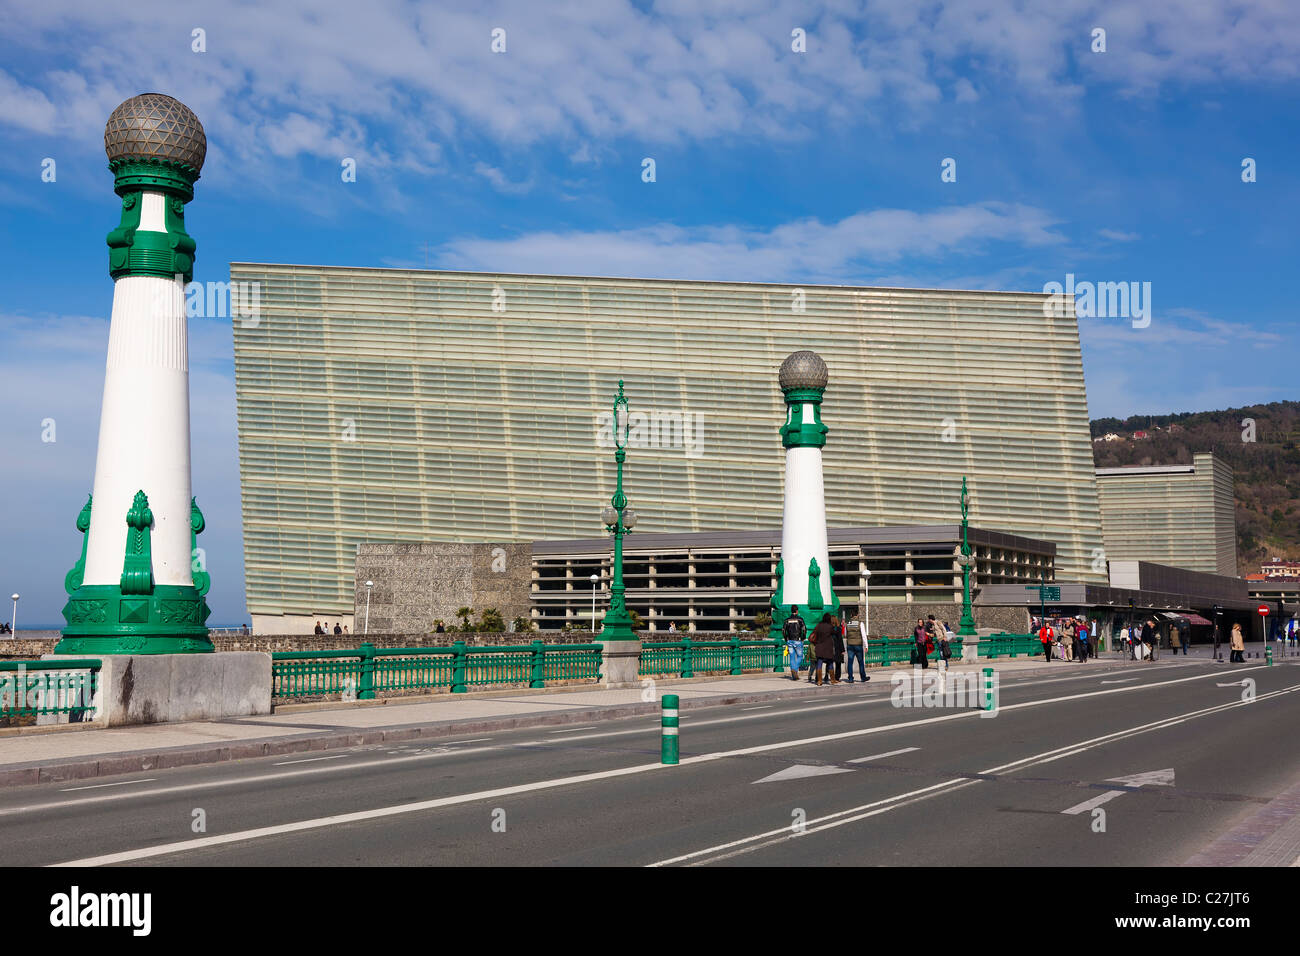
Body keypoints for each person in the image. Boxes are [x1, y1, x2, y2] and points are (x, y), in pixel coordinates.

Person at [812, 612, 838, 685]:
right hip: (828, 648)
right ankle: (832, 680)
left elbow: (815, 634)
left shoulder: (818, 625)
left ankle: (819, 681)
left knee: (819, 664)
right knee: (830, 663)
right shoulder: (830, 627)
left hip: (819, 647)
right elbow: (834, 633)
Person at [783, 606, 806, 682]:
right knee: (800, 656)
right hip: (798, 640)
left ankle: (794, 674)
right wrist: (803, 638)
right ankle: (795, 669)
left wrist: (786, 639)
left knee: (792, 657)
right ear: (797, 611)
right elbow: (804, 629)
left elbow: (783, 630)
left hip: (790, 641)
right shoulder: (800, 619)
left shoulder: (787, 620)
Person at [845, 616, 869, 683]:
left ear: (851, 615)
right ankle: (863, 677)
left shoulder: (848, 623)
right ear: (857, 615)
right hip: (858, 645)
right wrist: (866, 645)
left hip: (850, 645)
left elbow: (845, 634)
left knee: (850, 662)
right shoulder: (860, 623)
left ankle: (850, 678)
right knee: (860, 662)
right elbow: (863, 635)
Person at [832, 615, 846, 682]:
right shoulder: (838, 629)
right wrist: (843, 650)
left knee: (829, 663)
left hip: (830, 647)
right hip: (837, 648)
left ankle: (827, 676)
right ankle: (837, 677)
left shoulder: (829, 629)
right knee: (838, 664)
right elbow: (840, 640)